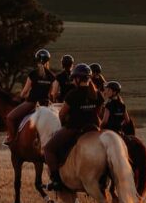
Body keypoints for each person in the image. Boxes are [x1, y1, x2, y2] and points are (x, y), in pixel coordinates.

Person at [44, 63, 104, 191]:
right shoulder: (98, 94)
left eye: (74, 78)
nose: (73, 81)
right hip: (94, 129)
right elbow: (98, 112)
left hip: (75, 128)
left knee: (48, 149)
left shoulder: (72, 94)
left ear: (78, 79)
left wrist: (64, 123)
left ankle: (56, 181)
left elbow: (61, 114)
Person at [3, 49, 56, 146]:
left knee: (10, 118)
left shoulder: (33, 74)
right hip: (46, 105)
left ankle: (11, 138)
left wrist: (23, 96)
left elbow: (24, 92)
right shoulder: (52, 76)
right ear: (48, 60)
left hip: (32, 103)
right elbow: (52, 94)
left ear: (37, 60)